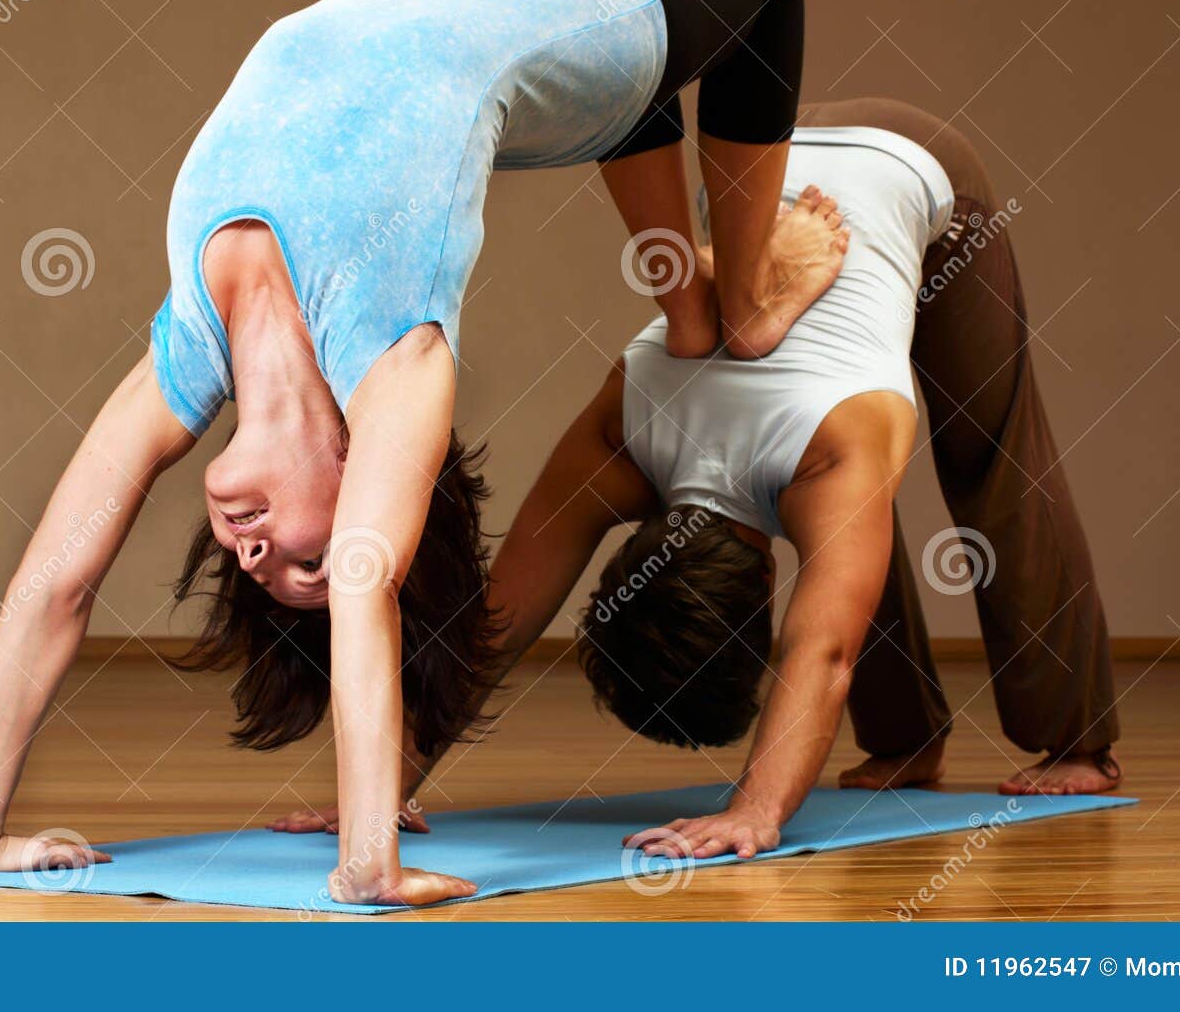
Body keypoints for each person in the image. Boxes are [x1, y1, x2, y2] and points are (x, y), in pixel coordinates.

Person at [0, 0, 847, 905]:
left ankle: (686, 313)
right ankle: (744, 304)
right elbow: (369, 584)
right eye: (307, 563)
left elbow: (52, 585)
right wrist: (367, 863)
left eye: (253, 567)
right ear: (363, 475)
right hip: (547, 50)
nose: (252, 552)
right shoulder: (397, 356)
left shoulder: (189, 349)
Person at [275, 99, 1123, 862]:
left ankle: (1077, 739)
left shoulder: (771, 452)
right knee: (845, 539)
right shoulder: (630, 437)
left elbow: (824, 651)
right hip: (766, 157)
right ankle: (908, 739)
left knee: (987, 452)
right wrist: (382, 788)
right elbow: (496, 622)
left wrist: (757, 810)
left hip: (912, 166)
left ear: (768, 587)